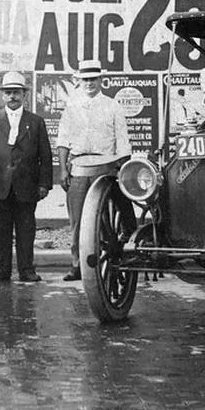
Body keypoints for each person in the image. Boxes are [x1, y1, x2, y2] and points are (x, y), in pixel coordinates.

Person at [0, 72, 53, 283]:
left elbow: (45, 155)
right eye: (8, 93)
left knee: (26, 229)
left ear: (24, 95)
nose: (12, 97)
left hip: (27, 184)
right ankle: (2, 270)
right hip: (0, 184)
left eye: (16, 92)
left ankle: (27, 270)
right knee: (1, 229)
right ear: (2, 96)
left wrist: (44, 184)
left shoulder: (35, 122)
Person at [55, 59, 131, 281]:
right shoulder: (72, 107)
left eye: (93, 79)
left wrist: (121, 167)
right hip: (78, 168)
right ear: (79, 82)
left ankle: (124, 250)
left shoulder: (113, 105)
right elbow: (63, 141)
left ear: (101, 80)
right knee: (77, 220)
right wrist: (62, 170)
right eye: (85, 80)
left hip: (105, 166)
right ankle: (77, 265)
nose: (89, 83)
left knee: (110, 216)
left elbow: (123, 141)